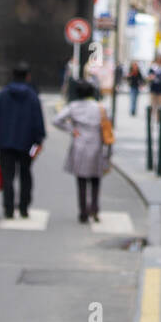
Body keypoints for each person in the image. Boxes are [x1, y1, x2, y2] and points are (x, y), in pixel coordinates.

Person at [0, 63, 46, 219]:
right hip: (27, 143)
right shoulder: (33, 96)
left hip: (5, 142)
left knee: (7, 176)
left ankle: (8, 208)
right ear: (28, 76)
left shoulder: (2, 95)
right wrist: (39, 140)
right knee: (25, 174)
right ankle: (24, 207)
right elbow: (38, 120)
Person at [52, 80, 113, 223]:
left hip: (79, 144)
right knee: (96, 179)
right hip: (96, 144)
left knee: (81, 180)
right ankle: (95, 209)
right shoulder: (100, 107)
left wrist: (72, 130)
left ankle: (83, 211)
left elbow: (56, 120)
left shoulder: (73, 106)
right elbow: (108, 123)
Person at [148, 56, 161, 121]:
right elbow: (149, 76)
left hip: (160, 89)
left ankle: (158, 118)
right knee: (152, 104)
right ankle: (150, 117)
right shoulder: (153, 68)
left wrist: (156, 77)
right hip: (153, 89)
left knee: (160, 105)